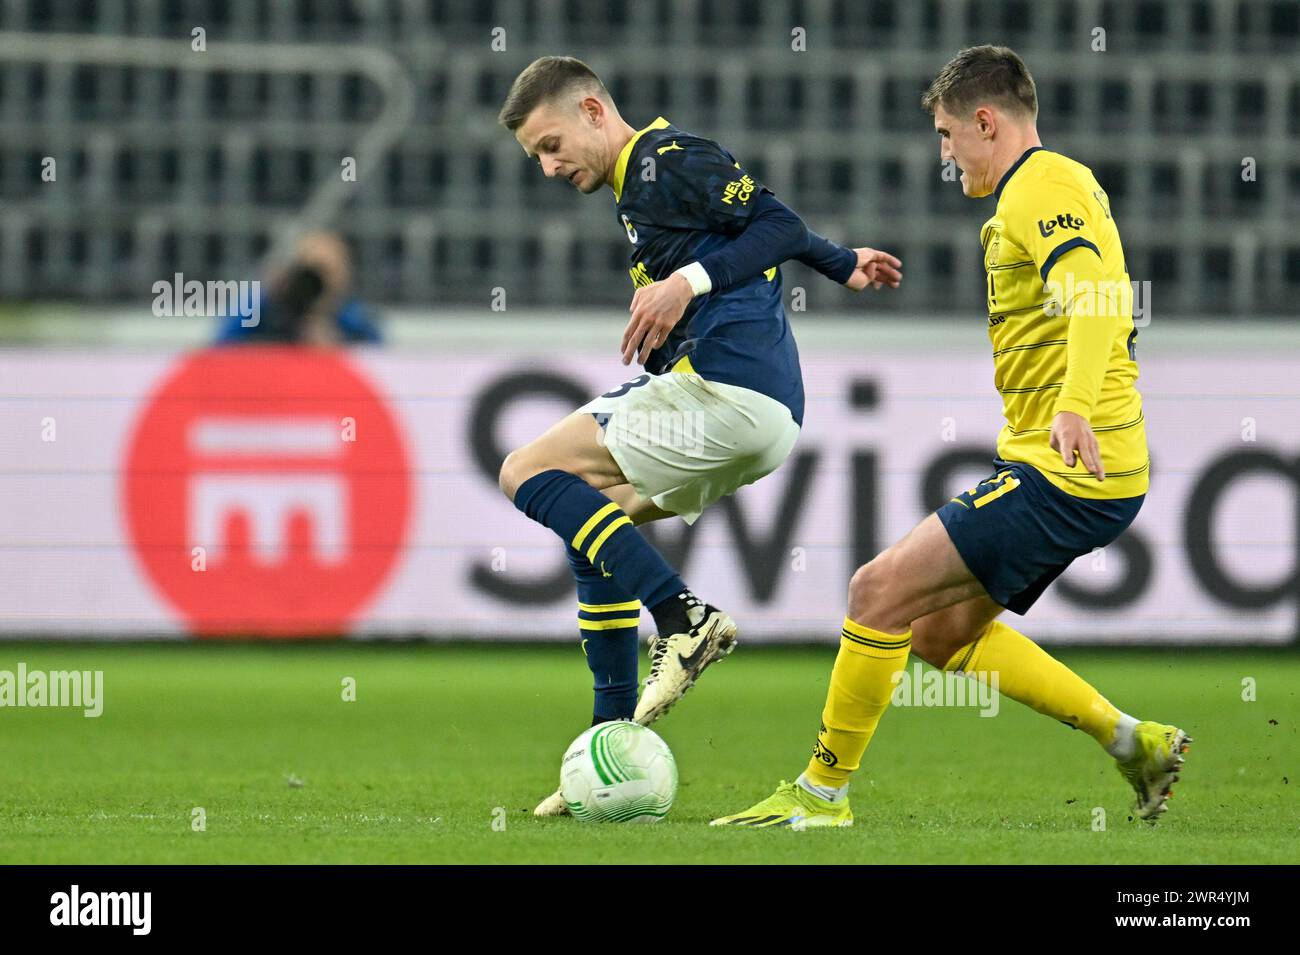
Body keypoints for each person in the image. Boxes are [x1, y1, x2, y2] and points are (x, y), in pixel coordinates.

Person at [713, 46, 1188, 829]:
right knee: (935, 632)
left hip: (1069, 462)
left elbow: (1100, 299)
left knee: (876, 591)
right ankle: (1132, 740)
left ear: (986, 121)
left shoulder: (1043, 187)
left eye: (945, 132)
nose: (943, 151)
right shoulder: (1051, 187)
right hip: (1085, 464)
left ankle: (820, 793)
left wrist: (1071, 405)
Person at [496, 56, 902, 817]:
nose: (548, 167)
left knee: (524, 472)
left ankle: (685, 618)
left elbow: (774, 221)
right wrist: (842, 262)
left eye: (551, 145)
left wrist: (685, 284)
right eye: (535, 158)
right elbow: (762, 229)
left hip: (728, 390)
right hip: (763, 414)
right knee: (592, 519)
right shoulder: (641, 189)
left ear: (591, 111)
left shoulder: (662, 161)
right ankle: (607, 745)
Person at [215, 230, 381, 345]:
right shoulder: (264, 309)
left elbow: (382, 363)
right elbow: (219, 349)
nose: (320, 284)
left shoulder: (356, 319)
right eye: (313, 273)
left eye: (329, 273)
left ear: (344, 276)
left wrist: (339, 344)